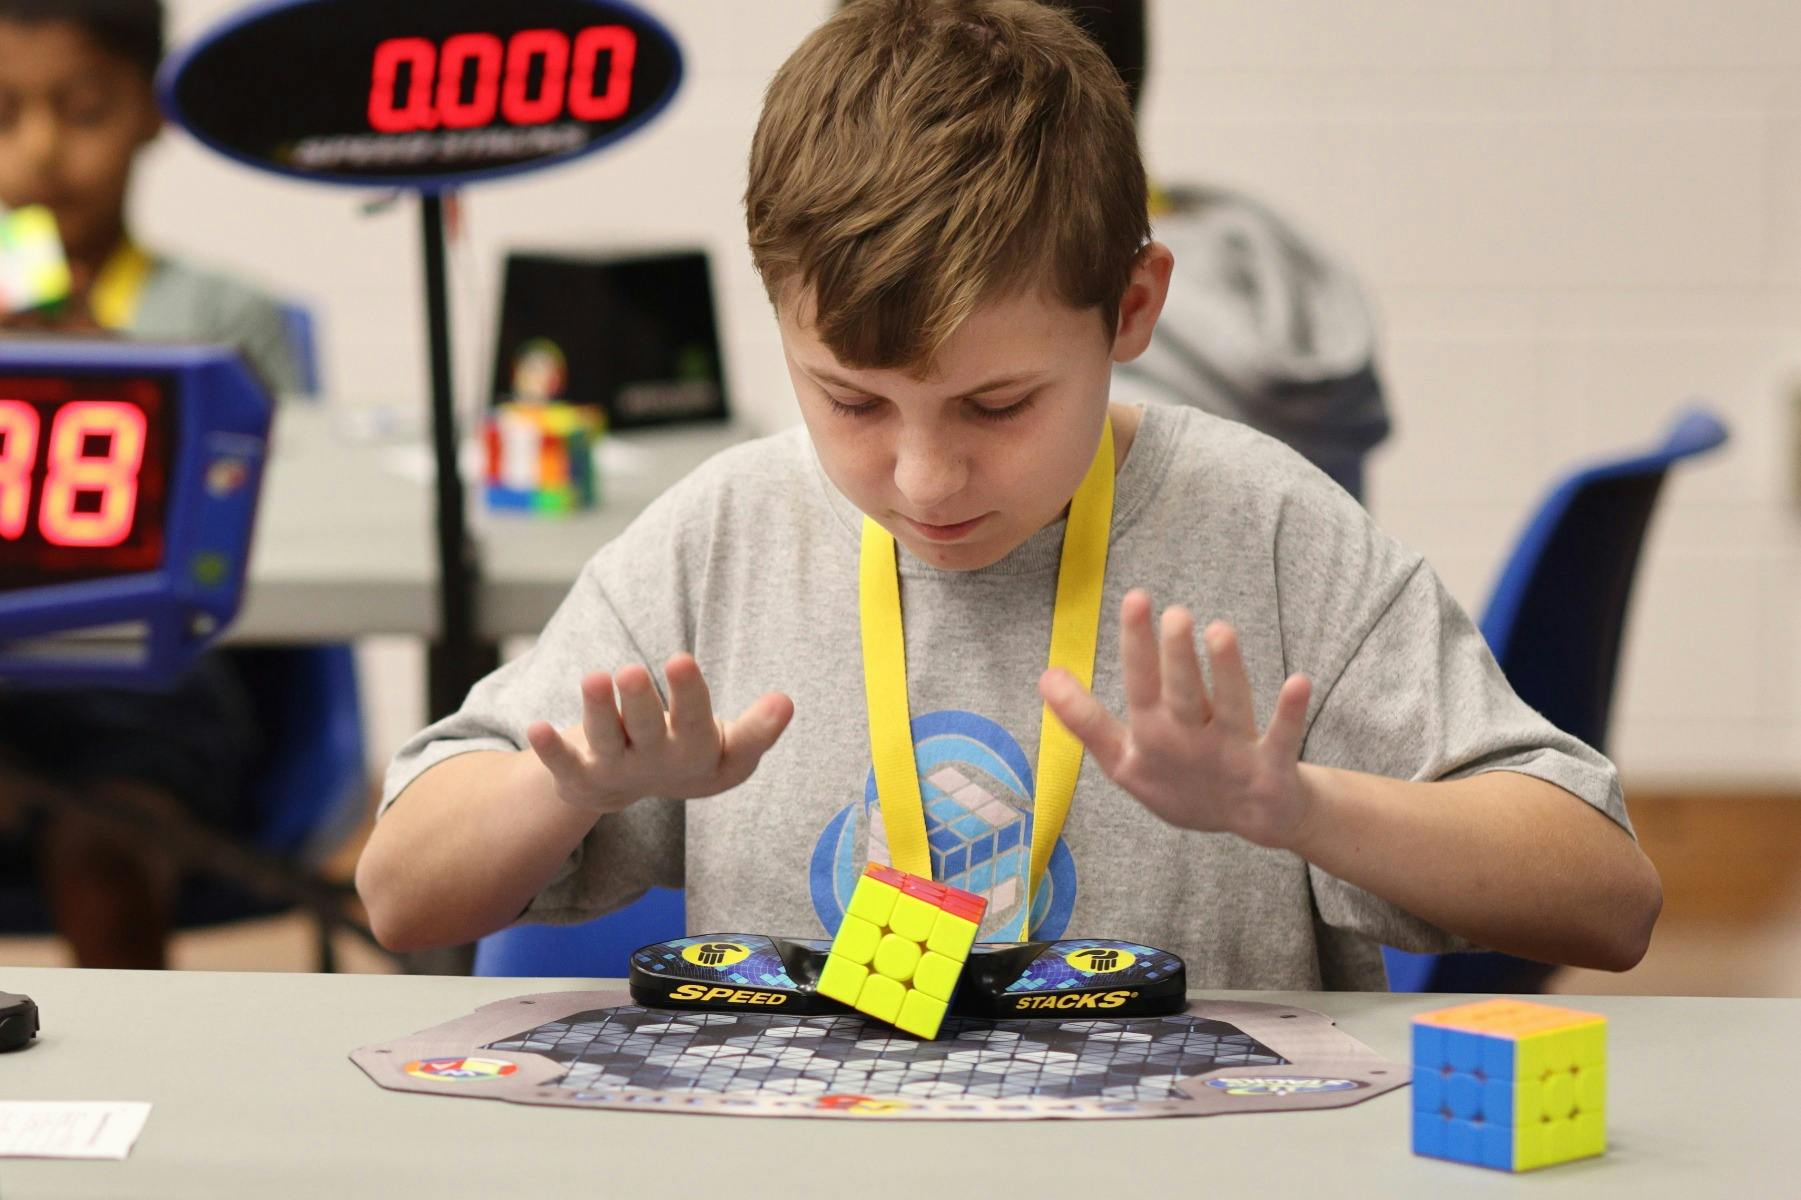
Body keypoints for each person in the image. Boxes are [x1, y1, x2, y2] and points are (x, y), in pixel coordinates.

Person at [357, 0, 1660, 990]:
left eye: (997, 406)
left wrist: (1299, 810)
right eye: (852, 402)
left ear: (1132, 308)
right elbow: (402, 897)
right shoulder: (723, 538)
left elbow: (1606, 899)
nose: (923, 479)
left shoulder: (1265, 532)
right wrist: (568, 793)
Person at [0, 0, 300, 968]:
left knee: (106, 847)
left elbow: (285, 527)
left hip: (152, 683)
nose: (41, 152)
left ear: (149, 111)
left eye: (81, 111)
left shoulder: (224, 318)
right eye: (3, 114)